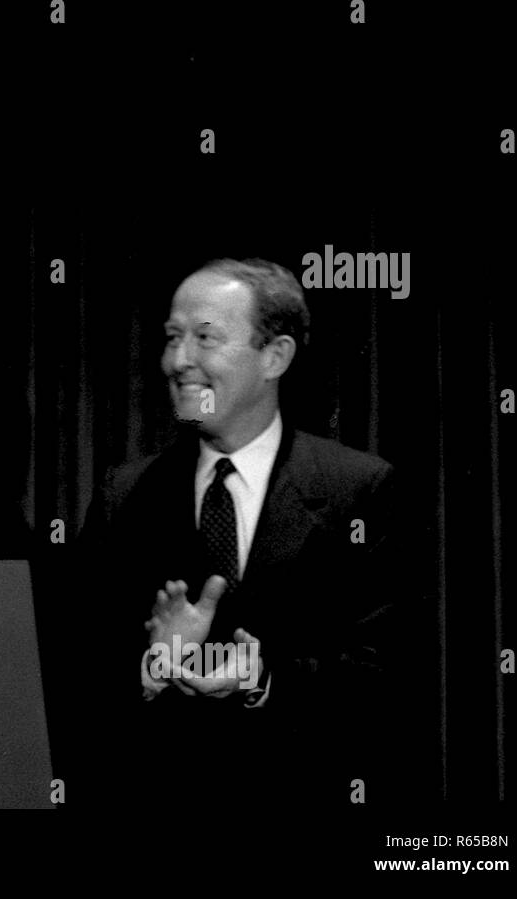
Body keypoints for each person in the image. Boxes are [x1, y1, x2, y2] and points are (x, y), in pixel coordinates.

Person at [79, 258, 411, 805]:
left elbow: (386, 674)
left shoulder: (360, 490)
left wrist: (263, 679)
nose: (178, 360)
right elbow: (75, 672)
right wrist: (150, 668)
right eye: (172, 338)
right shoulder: (125, 494)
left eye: (205, 338)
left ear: (274, 356)